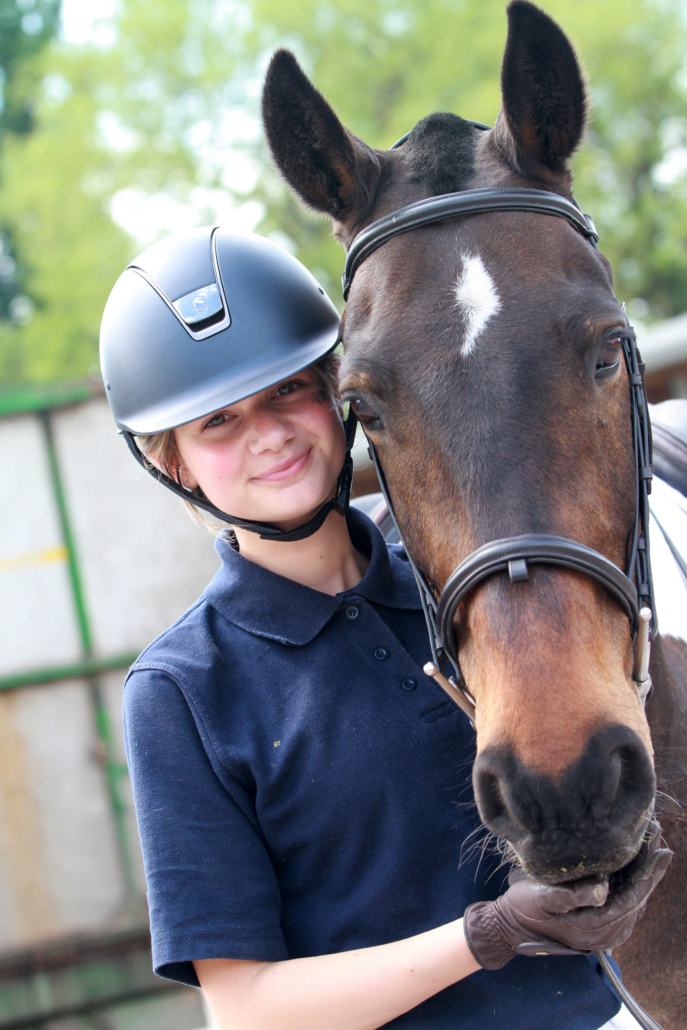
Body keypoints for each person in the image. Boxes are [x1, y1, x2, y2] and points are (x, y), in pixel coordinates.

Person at [101, 227, 670, 1030]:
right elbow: (245, 1011)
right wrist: (484, 936)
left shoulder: (471, 598)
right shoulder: (182, 691)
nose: (269, 434)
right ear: (174, 464)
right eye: (218, 422)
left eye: (287, 390)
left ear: (336, 393)